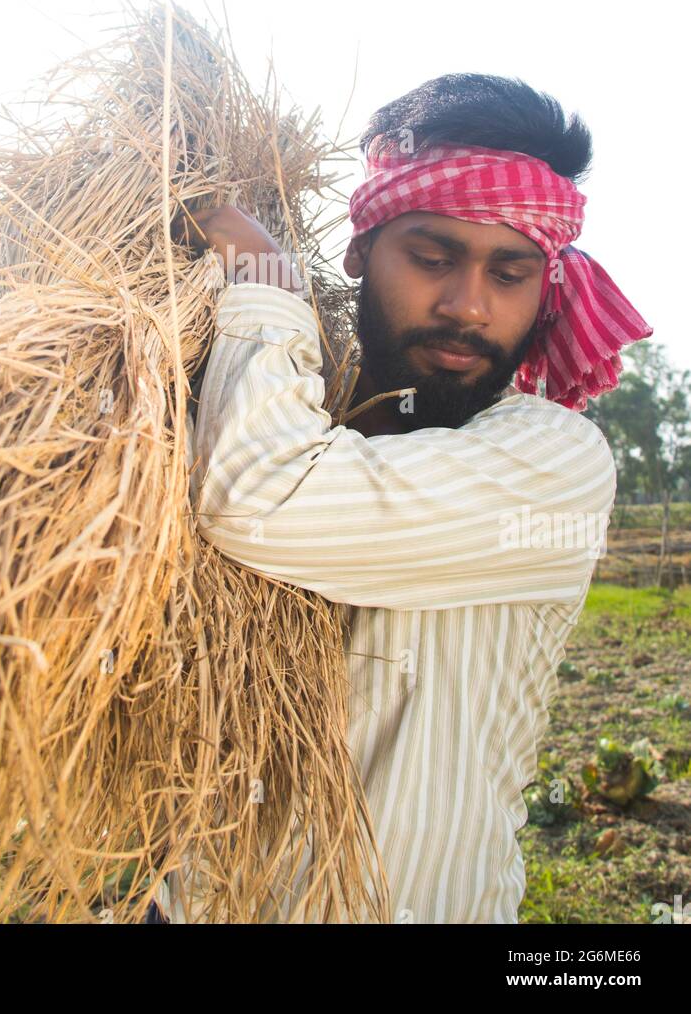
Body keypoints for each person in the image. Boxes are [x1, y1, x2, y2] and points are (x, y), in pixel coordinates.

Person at [154, 73, 652, 924]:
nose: (467, 305)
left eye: (510, 271)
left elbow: (259, 497)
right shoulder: (279, 400)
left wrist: (268, 280)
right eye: (432, 258)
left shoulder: (555, 462)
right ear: (360, 251)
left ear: (547, 288)